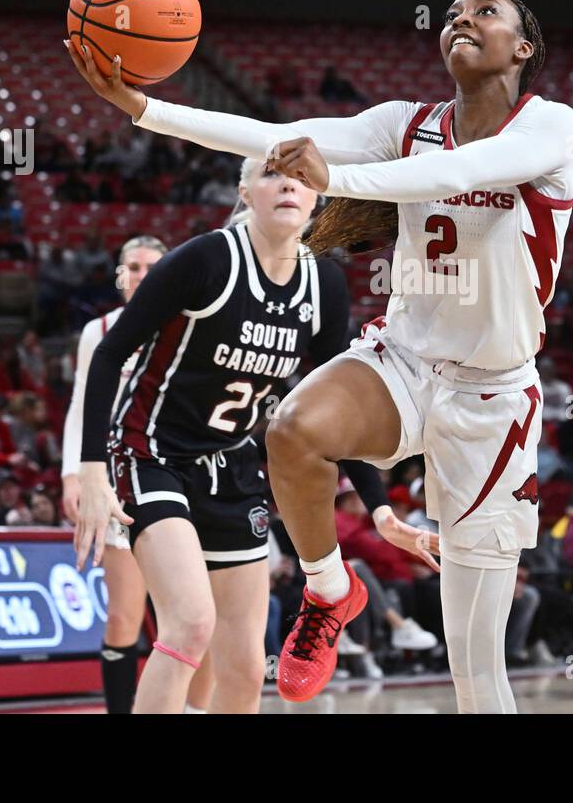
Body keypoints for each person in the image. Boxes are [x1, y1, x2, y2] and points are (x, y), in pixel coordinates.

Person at [165, 0, 572, 712]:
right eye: (451, 14)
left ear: (523, 47)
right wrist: (141, 106)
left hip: (493, 397)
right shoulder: (404, 125)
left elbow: (456, 175)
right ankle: (329, 591)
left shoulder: (549, 127)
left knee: (476, 671)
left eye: (483, 12)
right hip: (408, 362)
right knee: (292, 430)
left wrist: (333, 177)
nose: (460, 21)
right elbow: (273, 134)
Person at [62, 99, 434, 717]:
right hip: (153, 451)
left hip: (234, 466)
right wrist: (92, 471)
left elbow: (330, 412)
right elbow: (108, 357)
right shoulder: (205, 261)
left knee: (242, 664)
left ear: (319, 192)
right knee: (188, 624)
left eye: (298, 174)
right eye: (268, 172)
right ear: (244, 192)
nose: (286, 181)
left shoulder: (324, 284)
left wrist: (382, 509)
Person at [60, 233, 169, 714]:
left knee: (183, 619)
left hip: (173, 477)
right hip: (116, 481)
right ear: (121, 274)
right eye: (134, 267)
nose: (143, 276)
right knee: (124, 614)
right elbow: (81, 406)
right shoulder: (98, 331)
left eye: (153, 267)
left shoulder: (188, 325)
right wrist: (72, 475)